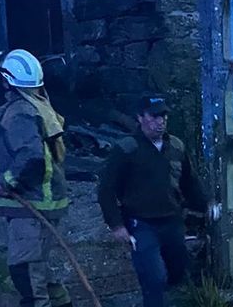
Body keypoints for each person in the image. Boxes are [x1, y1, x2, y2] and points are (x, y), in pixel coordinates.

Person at [98, 95, 212, 307]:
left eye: (163, 116)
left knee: (179, 269)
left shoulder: (176, 146)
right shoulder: (126, 149)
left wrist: (206, 206)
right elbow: (106, 189)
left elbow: (190, 182)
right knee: (153, 277)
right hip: (141, 223)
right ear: (140, 117)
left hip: (172, 221)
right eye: (154, 116)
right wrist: (116, 224)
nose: (160, 121)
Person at [0, 50, 72, 307]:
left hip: (30, 206)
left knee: (26, 273)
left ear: (7, 80)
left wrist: (6, 181)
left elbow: (31, 154)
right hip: (40, 203)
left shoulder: (19, 111)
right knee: (40, 273)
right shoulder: (37, 105)